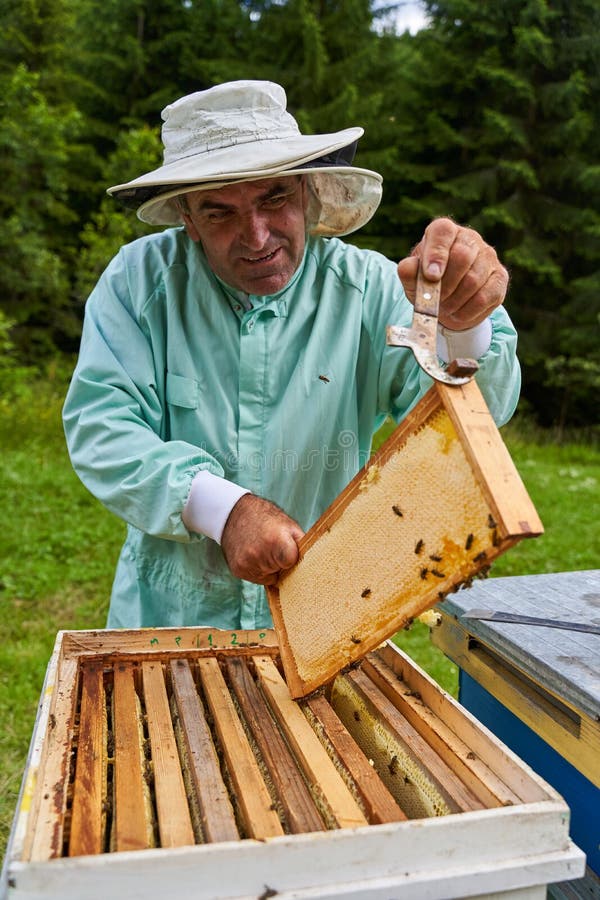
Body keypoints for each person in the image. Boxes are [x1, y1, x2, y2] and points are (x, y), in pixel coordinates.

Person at [63, 80, 520, 630]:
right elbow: (102, 425)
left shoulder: (371, 290)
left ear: (308, 192)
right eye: (219, 211)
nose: (256, 237)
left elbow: (467, 426)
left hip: (324, 622)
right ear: (187, 217)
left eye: (273, 198)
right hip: (167, 616)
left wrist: (463, 328)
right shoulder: (139, 285)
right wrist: (222, 510)